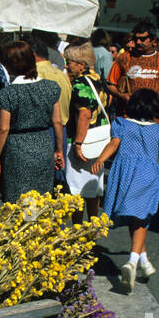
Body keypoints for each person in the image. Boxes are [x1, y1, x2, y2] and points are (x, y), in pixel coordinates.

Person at [89, 88, 159, 291]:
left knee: (135, 216)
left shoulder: (121, 124)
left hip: (123, 172)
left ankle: (144, 261)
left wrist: (100, 160)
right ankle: (132, 261)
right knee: (141, 217)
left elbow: (113, 144)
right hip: (147, 173)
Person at [0, 41, 63, 204]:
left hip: (17, 149)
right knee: (41, 200)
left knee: (18, 199)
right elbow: (57, 121)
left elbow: (3, 128)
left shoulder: (8, 94)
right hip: (43, 144)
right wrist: (58, 149)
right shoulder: (50, 88)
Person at [61, 42, 109, 220]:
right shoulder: (98, 78)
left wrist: (78, 143)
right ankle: (93, 224)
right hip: (99, 140)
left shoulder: (81, 83)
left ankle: (78, 228)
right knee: (93, 185)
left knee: (77, 188)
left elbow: (84, 114)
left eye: (69, 62)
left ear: (82, 64)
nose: (67, 66)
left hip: (84, 139)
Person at [107, 21, 159, 123]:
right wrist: (121, 95)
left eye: (143, 39)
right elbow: (110, 84)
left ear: (153, 40)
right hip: (128, 119)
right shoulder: (124, 58)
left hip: (155, 121)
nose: (138, 42)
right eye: (136, 39)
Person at [30, 34, 72, 127]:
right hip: (62, 127)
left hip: (44, 129)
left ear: (33, 54)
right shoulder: (62, 75)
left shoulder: (35, 74)